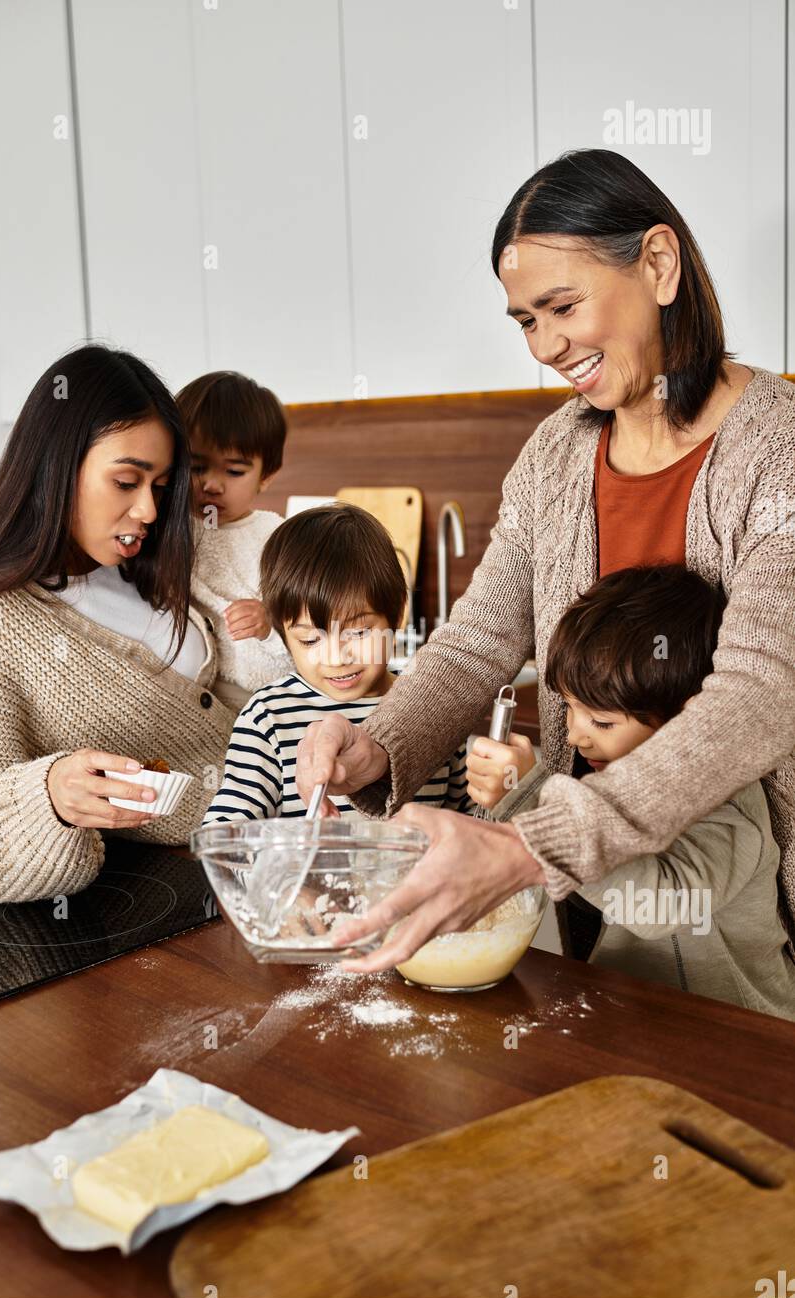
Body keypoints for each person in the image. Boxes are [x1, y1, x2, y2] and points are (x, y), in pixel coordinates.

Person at [293, 148, 795, 977]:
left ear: (659, 265)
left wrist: (531, 845)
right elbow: (478, 643)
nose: (547, 346)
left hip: (758, 939)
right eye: (526, 321)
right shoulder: (556, 454)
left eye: (562, 306)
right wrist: (377, 746)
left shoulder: (778, 448)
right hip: (609, 929)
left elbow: (762, 696)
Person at [0, 345, 234, 902]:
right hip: (175, 894)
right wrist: (50, 795)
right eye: (125, 482)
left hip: (278, 839)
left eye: (161, 488)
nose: (148, 511)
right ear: (55, 468)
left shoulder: (164, 563)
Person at [467, 565, 795, 1020]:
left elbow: (653, 904)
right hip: (638, 1016)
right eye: (568, 708)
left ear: (689, 717)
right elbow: (591, 882)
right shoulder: (614, 784)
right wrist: (518, 797)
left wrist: (532, 796)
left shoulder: (730, 807)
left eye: (601, 722)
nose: (575, 737)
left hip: (736, 1038)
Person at [202, 504, 471, 821]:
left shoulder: (434, 711)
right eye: (310, 640)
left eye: (358, 632)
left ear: (397, 613)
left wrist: (504, 791)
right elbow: (227, 828)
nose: (336, 658)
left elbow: (469, 822)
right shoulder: (269, 716)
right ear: (283, 633)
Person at [178, 370, 294, 711]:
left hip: (262, 699)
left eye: (234, 471)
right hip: (190, 693)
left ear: (266, 476)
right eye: (198, 467)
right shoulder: (171, 531)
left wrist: (269, 620)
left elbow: (308, 617)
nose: (212, 485)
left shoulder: (277, 538)